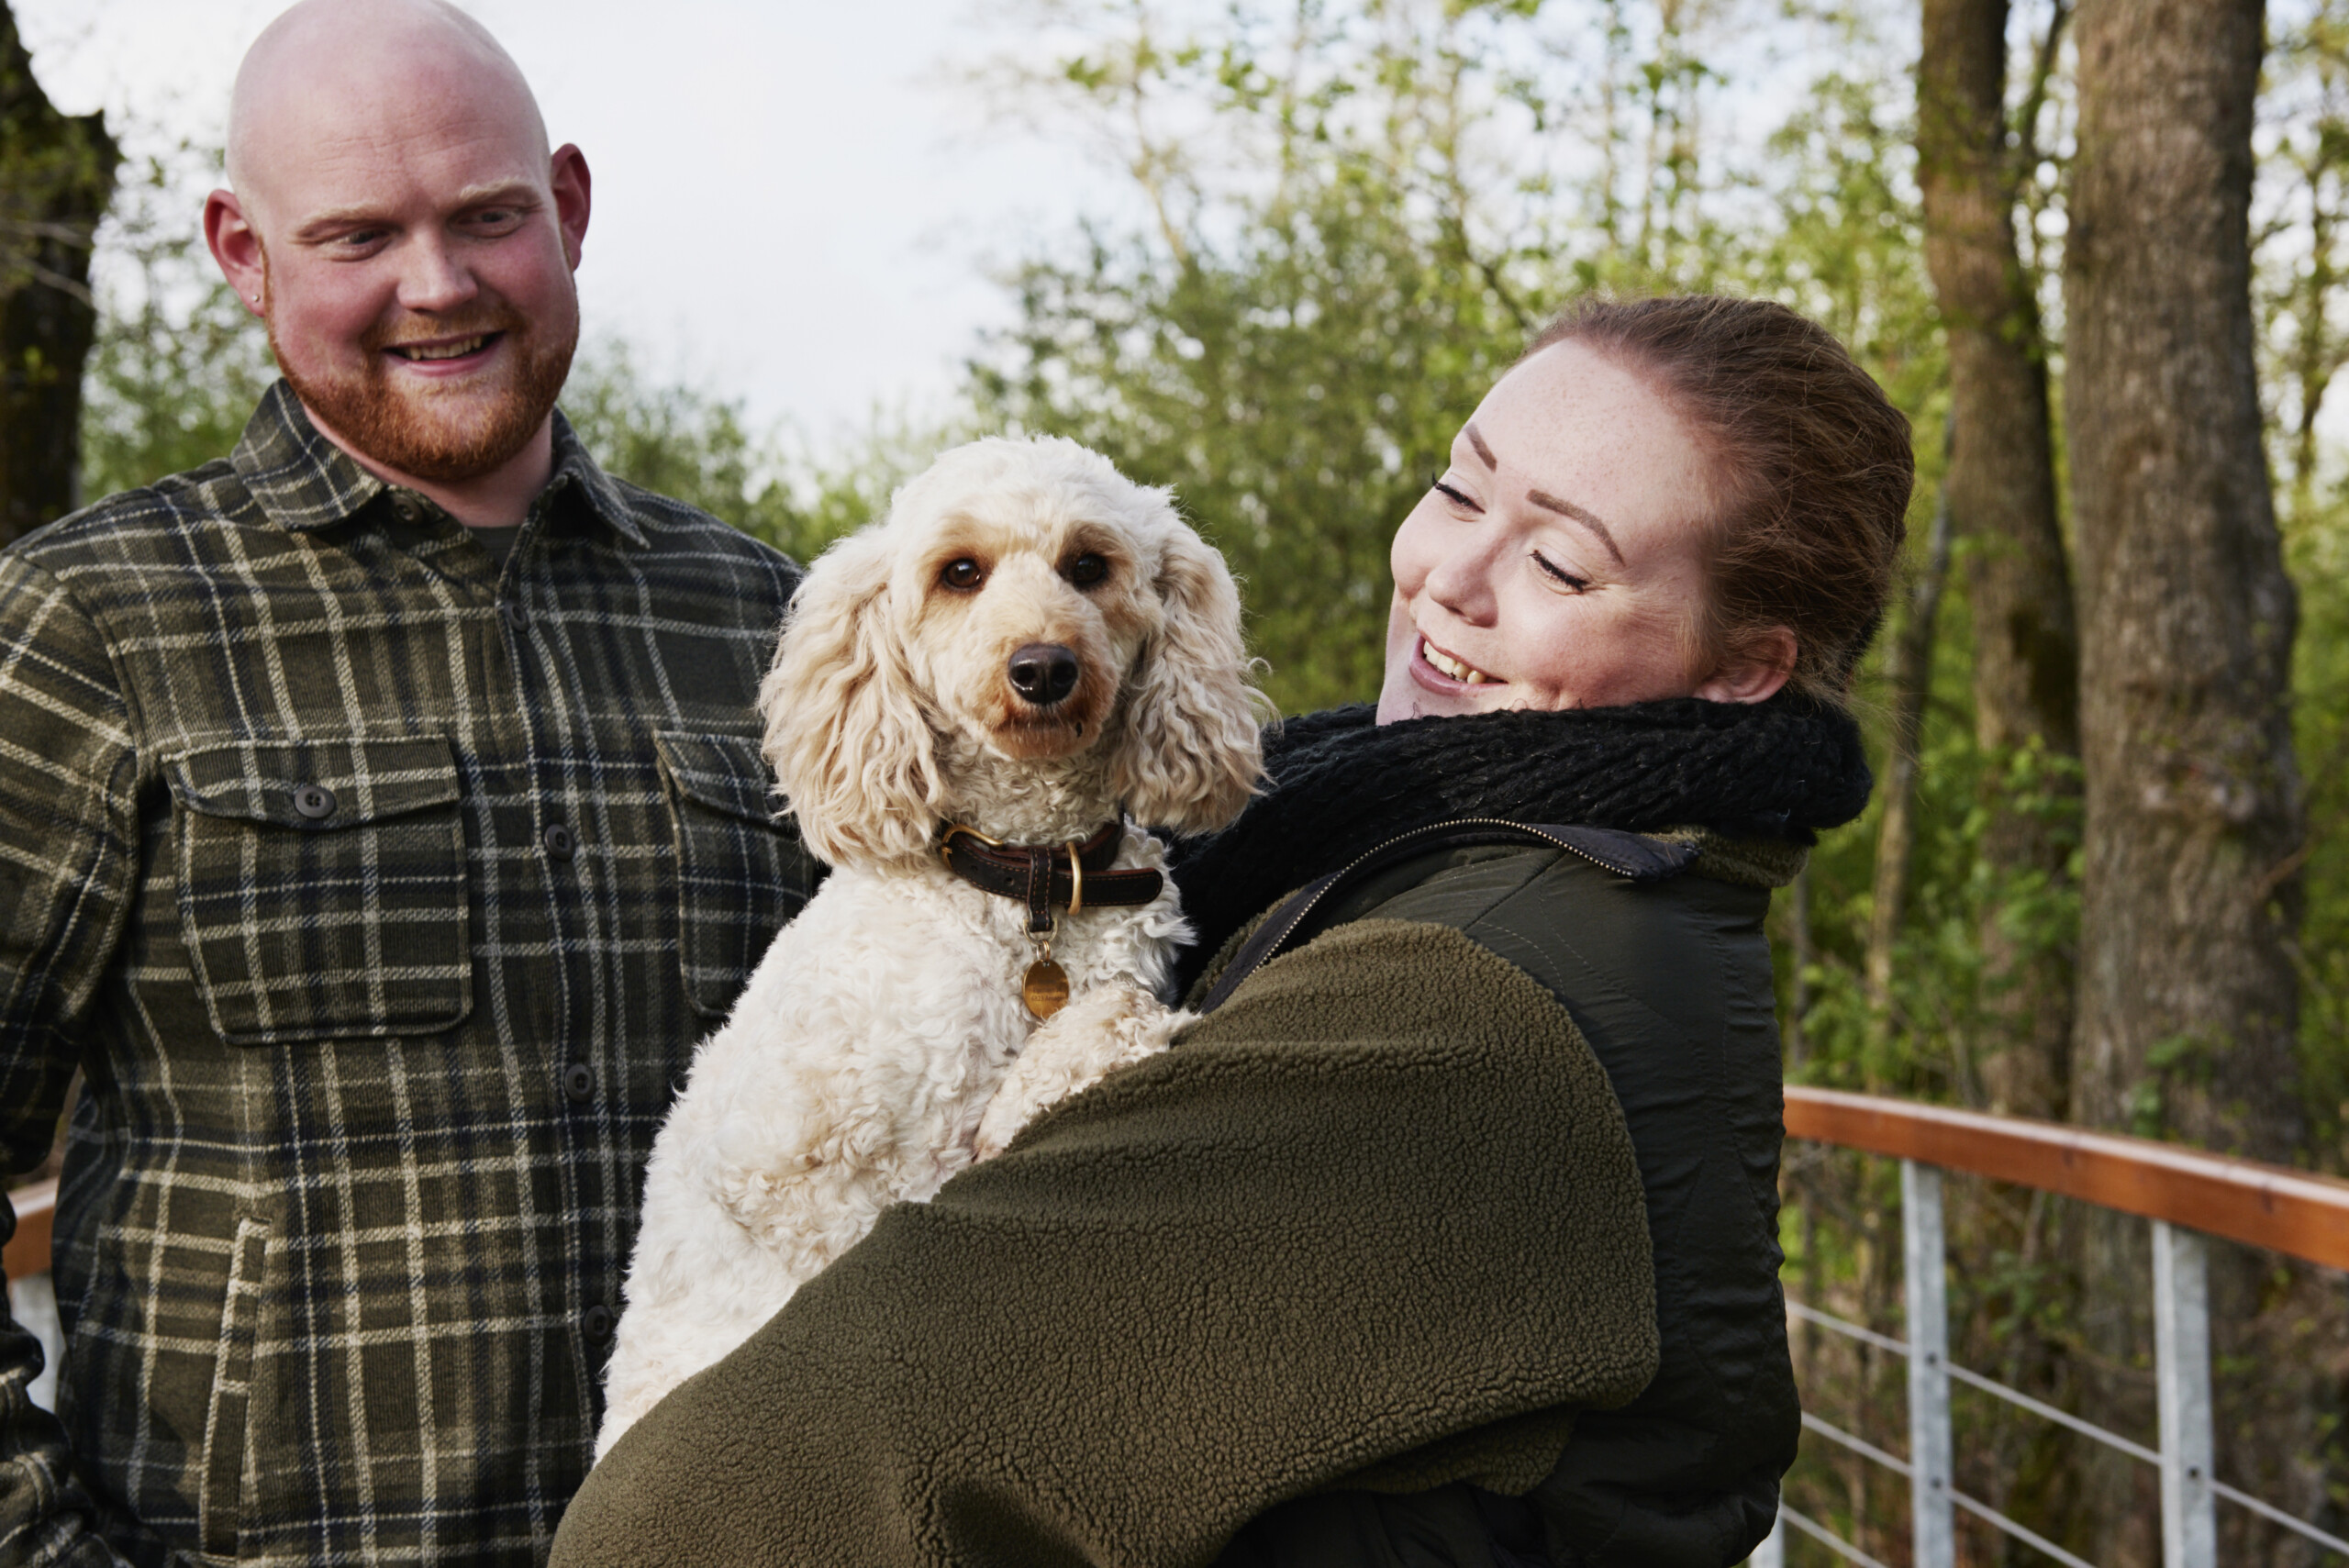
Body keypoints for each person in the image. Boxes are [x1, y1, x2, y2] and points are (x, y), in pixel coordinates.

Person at [552, 294, 1906, 1568]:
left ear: (1745, 667)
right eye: (1457, 490)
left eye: (1559, 560)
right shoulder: (1415, 846)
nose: (1450, 580)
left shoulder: (1477, 994)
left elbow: (699, 1510)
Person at [0, 2, 807, 1562]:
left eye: (487, 217)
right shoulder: (87, 627)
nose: (437, 285)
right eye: (359, 235)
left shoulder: (776, 625)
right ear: (244, 253)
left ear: (567, 208)